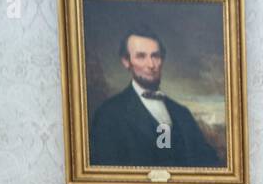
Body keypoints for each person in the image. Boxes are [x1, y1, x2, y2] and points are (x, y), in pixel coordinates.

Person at [89, 29, 222, 168]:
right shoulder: (108, 114)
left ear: (162, 60)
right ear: (126, 62)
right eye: (141, 56)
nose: (151, 65)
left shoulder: (182, 113)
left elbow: (208, 163)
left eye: (155, 56)